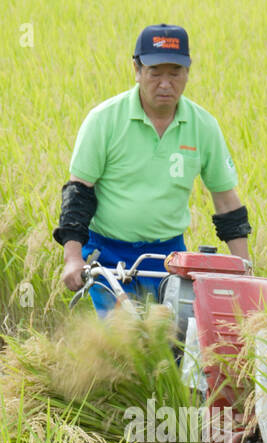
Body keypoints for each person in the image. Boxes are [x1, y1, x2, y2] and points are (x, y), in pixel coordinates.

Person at [53, 23, 252, 316]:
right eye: (155, 73)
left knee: (180, 337)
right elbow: (79, 193)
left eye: (175, 73)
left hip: (168, 254)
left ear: (188, 72)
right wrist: (72, 258)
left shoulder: (203, 127)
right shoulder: (104, 120)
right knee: (125, 337)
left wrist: (244, 271)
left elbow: (226, 203)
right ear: (137, 69)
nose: (165, 83)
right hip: (108, 254)